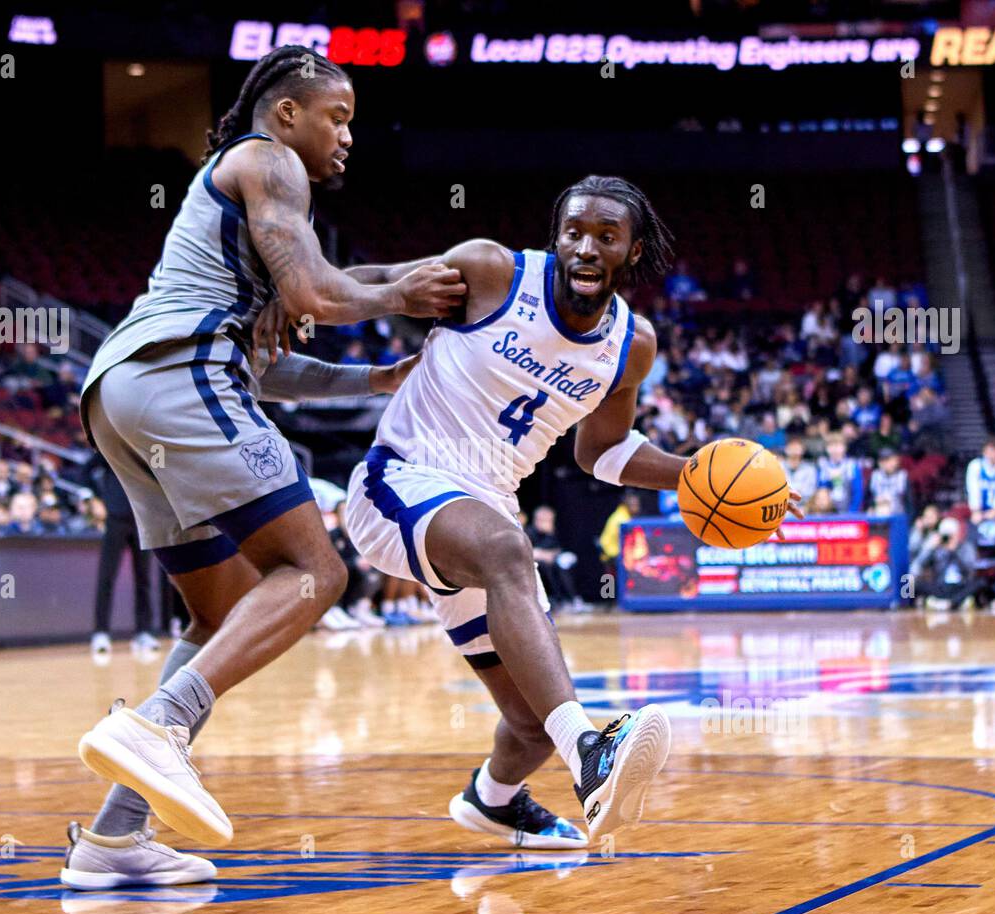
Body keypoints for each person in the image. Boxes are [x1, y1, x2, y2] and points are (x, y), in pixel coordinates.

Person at [65, 46, 464, 891]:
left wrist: (376, 378)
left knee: (224, 615)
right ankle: (160, 722)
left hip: (123, 394)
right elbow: (320, 293)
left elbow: (266, 365)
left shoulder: (238, 226)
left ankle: (112, 838)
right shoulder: (269, 160)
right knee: (315, 570)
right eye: (339, 115)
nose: (348, 135)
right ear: (286, 113)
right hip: (176, 376)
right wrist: (402, 295)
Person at [341, 176, 800, 850]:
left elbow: (603, 452)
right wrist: (294, 299)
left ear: (631, 250)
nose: (586, 247)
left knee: (528, 718)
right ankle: (590, 753)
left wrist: (696, 475)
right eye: (574, 232)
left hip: (482, 512)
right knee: (509, 552)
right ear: (556, 237)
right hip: (399, 481)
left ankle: (492, 799)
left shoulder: (629, 345)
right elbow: (378, 278)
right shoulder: (491, 272)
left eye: (605, 236)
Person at [90, 460, 157, 661]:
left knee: (143, 577)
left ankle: (143, 632)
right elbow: (86, 471)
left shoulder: (146, 445)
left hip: (142, 520)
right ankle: (100, 633)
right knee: (106, 577)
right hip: (115, 519)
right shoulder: (109, 442)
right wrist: (97, 498)